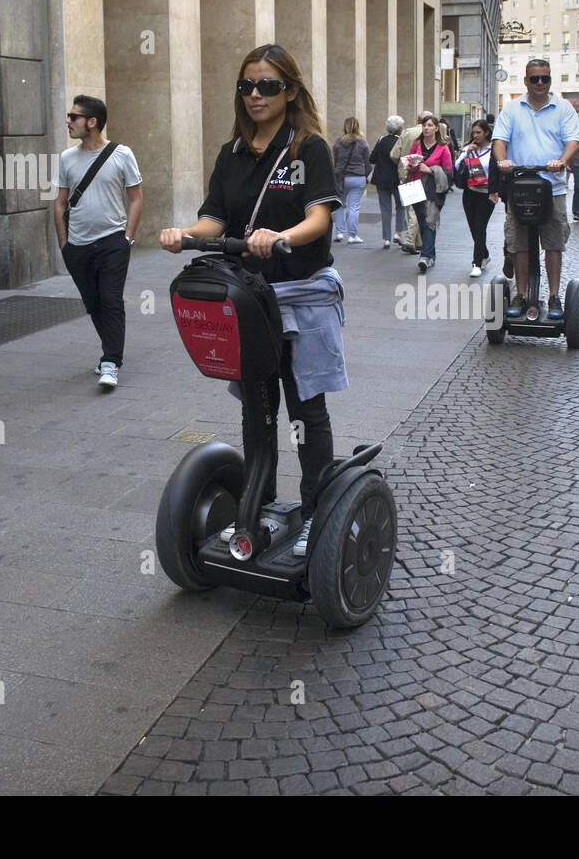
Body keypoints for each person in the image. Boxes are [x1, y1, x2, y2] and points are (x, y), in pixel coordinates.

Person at [159, 43, 342, 558]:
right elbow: (216, 219)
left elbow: (318, 218)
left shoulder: (308, 150)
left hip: (300, 295)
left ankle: (314, 511)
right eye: (247, 86)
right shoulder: (232, 152)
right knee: (258, 406)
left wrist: (277, 235)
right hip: (249, 299)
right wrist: (185, 234)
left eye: (267, 86)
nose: (256, 95)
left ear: (290, 91)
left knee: (306, 409)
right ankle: (257, 507)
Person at [54, 94, 142, 389]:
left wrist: (127, 238)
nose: (68, 121)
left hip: (112, 241)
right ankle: (110, 353)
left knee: (111, 300)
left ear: (92, 122)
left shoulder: (122, 154)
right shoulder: (67, 158)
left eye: (73, 116)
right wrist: (64, 244)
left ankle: (110, 362)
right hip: (77, 245)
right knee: (93, 303)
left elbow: (136, 198)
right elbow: (59, 203)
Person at [492, 57, 579, 320]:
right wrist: (502, 160)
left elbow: (573, 140)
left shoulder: (563, 108)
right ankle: (520, 294)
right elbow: (499, 139)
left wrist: (562, 161)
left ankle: (553, 296)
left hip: (552, 188)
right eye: (535, 79)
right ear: (526, 80)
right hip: (520, 188)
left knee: (553, 243)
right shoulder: (512, 108)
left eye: (545, 78)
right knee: (519, 243)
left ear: (550, 79)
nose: (540, 83)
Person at [398, 112, 452, 273]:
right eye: (424, 125)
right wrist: (410, 166)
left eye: (429, 125)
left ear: (436, 128)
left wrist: (430, 169)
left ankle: (424, 257)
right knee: (423, 222)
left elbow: (449, 172)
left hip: (434, 190)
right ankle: (431, 255)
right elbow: (408, 161)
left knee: (430, 221)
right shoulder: (417, 144)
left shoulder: (443, 148)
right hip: (416, 188)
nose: (426, 128)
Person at [456, 118, 496, 276]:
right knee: (473, 228)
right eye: (473, 132)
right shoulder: (468, 148)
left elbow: (497, 169)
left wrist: (496, 190)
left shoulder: (494, 149)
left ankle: (477, 263)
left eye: (479, 132)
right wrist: (467, 153)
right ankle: (484, 254)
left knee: (480, 227)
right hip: (470, 192)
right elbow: (457, 166)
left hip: (486, 194)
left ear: (486, 132)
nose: (476, 135)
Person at [332, 116, 370, 244]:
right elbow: (367, 163)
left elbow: (334, 160)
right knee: (354, 207)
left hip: (341, 178)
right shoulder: (363, 143)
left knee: (340, 205)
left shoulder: (338, 142)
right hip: (358, 177)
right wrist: (367, 176)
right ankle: (352, 235)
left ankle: (339, 233)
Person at [370, 115, 405, 248]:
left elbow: (371, 158)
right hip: (397, 179)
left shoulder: (381, 140)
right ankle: (398, 233)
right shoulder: (401, 141)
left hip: (381, 179)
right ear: (400, 128)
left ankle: (386, 239)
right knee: (400, 206)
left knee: (385, 209)